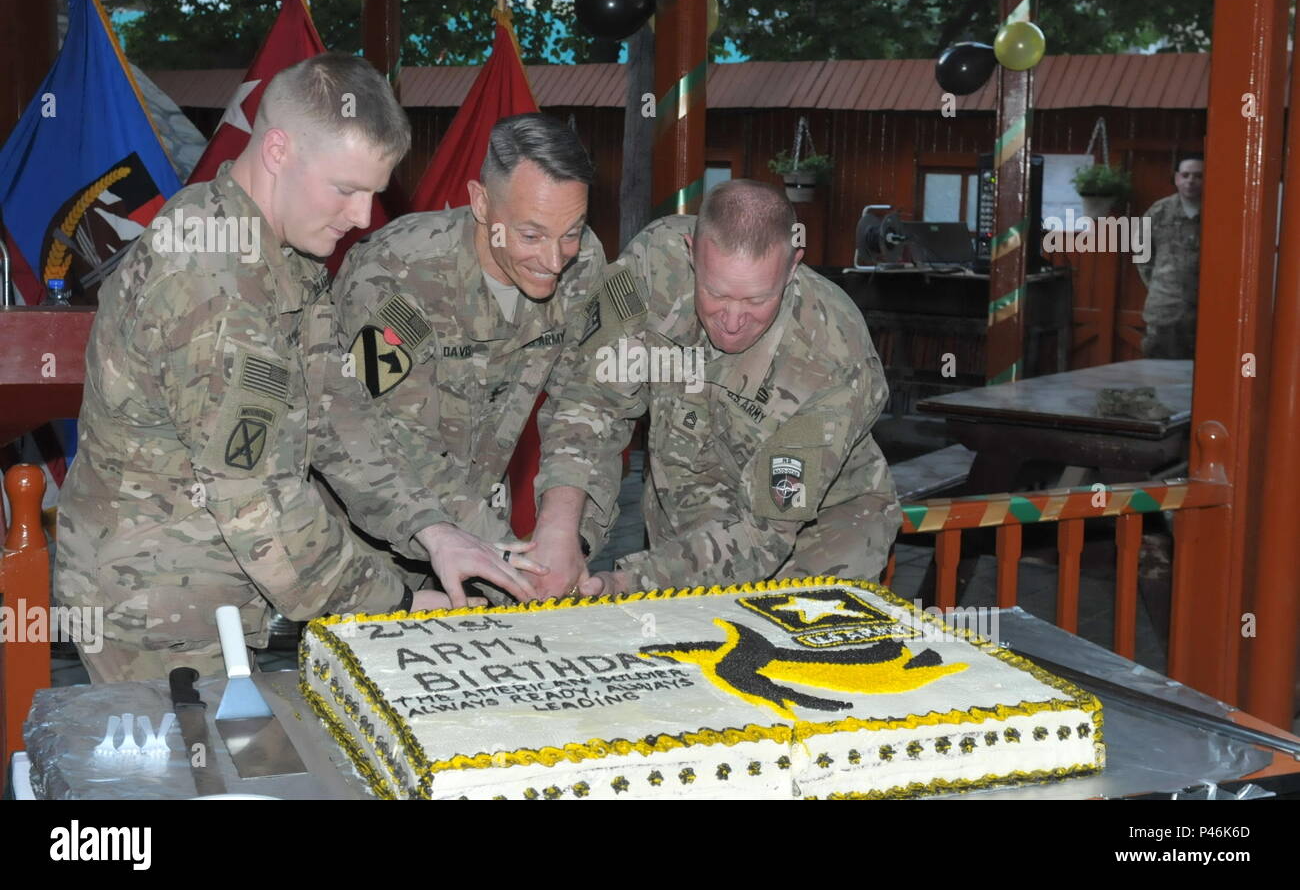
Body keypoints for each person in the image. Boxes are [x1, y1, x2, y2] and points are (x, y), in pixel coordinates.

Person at [54, 53, 519, 684]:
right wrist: (399, 605)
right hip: (157, 605)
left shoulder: (279, 250)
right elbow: (260, 507)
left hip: (226, 581)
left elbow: (340, 418)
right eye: (347, 189)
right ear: (277, 149)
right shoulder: (215, 285)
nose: (362, 218)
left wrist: (430, 528)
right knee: (204, 777)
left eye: (373, 195)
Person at [537, 178, 901, 596]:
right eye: (715, 293)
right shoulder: (654, 265)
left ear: (793, 265)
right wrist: (563, 533)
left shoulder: (835, 359)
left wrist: (627, 583)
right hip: (686, 508)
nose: (731, 320)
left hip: (819, 533)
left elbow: (765, 530)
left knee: (790, 650)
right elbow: (592, 402)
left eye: (755, 301)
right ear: (692, 253)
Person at [332, 113, 615, 605]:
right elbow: (389, 436)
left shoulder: (584, 261)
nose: (555, 259)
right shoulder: (397, 273)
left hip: (484, 531)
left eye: (571, 230)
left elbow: (585, 401)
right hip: (371, 550)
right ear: (481, 203)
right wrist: (519, 564)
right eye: (531, 235)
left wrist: (562, 527)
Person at [1138, 152, 1203, 359]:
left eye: (1198, 175)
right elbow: (1142, 253)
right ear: (1176, 178)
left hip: (1206, 313)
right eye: (1185, 175)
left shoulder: (1220, 212)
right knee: (1156, 375)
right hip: (1164, 311)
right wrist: (1161, 284)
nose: (1190, 181)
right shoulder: (1159, 211)